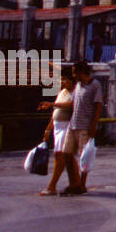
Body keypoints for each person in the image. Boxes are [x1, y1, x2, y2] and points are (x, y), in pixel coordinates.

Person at [60, 61, 101, 196]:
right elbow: (73, 102)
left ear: (80, 72)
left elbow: (98, 107)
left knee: (84, 158)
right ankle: (74, 182)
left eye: (74, 72)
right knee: (66, 153)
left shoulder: (95, 85)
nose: (72, 75)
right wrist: (53, 104)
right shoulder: (77, 85)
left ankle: (81, 185)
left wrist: (93, 126)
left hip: (85, 126)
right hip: (73, 125)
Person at [37, 66, 75, 194]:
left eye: (65, 79)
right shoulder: (62, 92)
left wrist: (51, 104)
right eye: (61, 79)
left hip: (67, 127)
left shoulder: (75, 92)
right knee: (65, 156)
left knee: (60, 155)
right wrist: (48, 129)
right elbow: (55, 112)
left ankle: (52, 186)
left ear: (71, 80)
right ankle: (77, 183)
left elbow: (71, 104)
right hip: (57, 128)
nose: (62, 82)